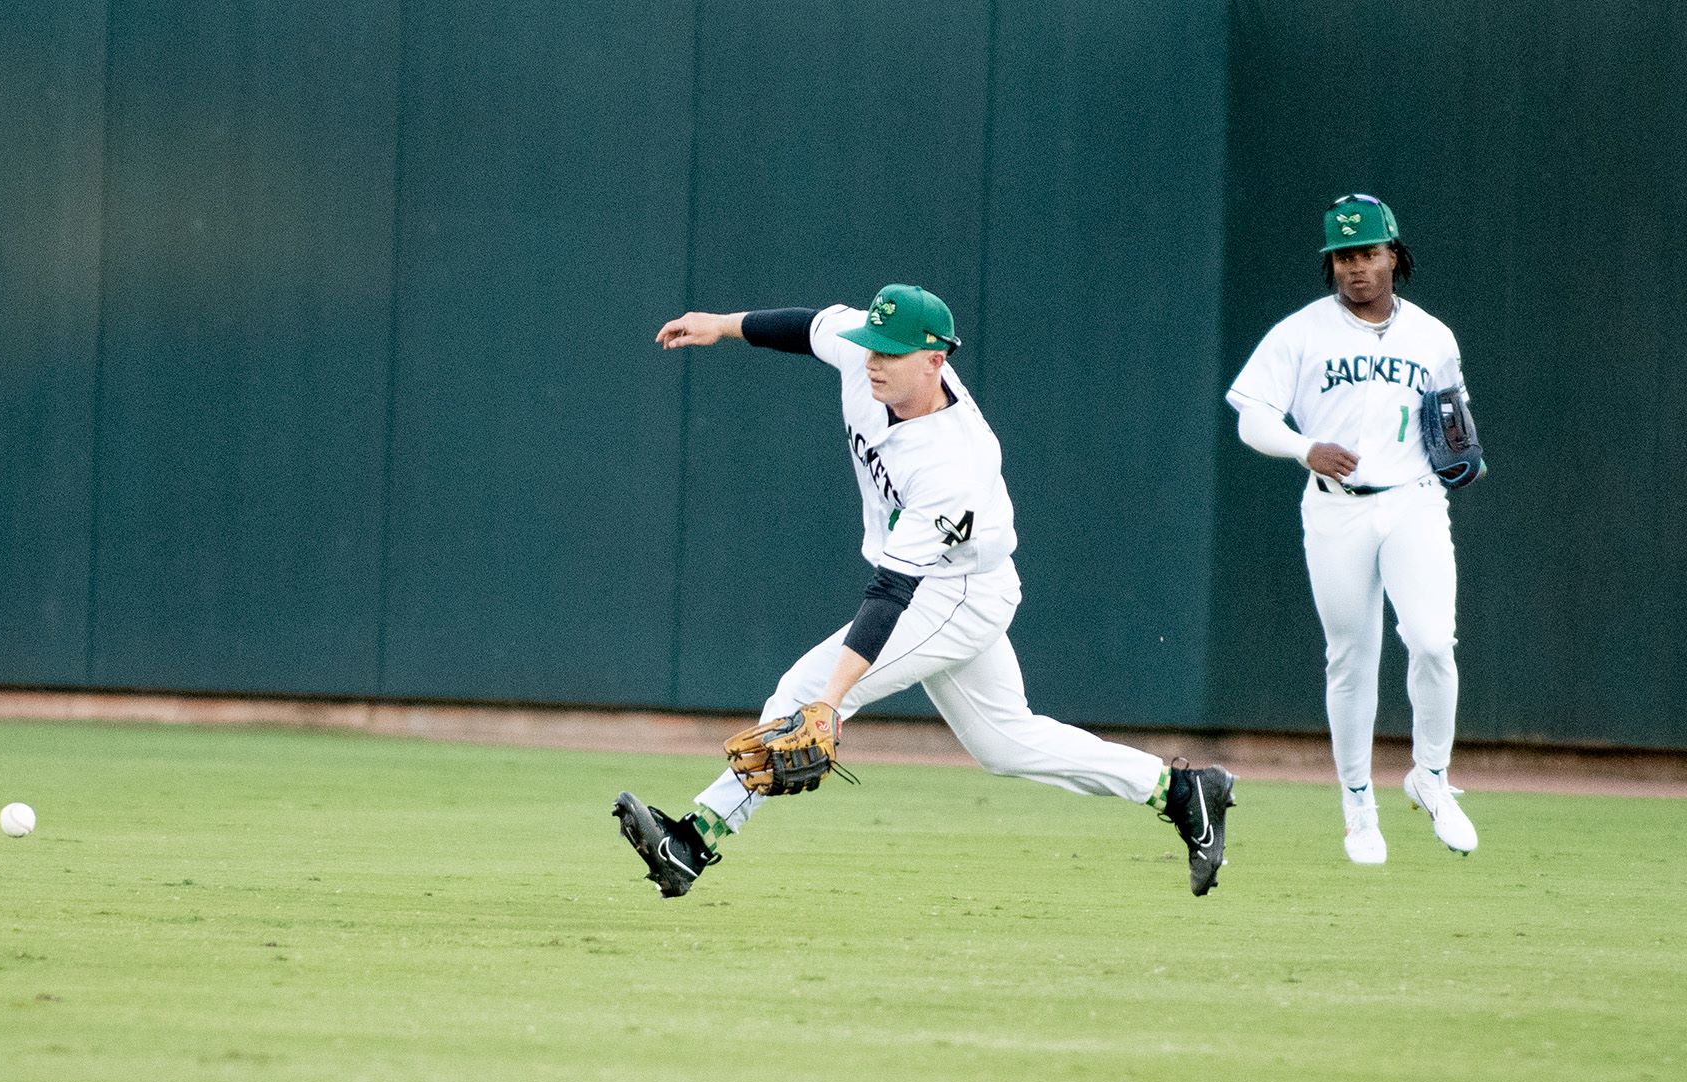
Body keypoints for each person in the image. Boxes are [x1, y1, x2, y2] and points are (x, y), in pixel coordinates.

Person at [614, 284, 1236, 898]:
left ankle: (693, 841)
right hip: (948, 584)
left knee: (805, 692)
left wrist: (832, 701)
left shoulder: (952, 463)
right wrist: (721, 324)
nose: (874, 360)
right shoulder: (868, 357)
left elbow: (892, 592)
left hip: (954, 591)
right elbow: (807, 328)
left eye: (890, 352)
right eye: (872, 346)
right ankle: (1183, 791)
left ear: (937, 360)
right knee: (1004, 743)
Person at [1225, 195, 1478, 863]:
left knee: (1431, 641)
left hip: (1415, 501)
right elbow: (1252, 417)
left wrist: (1460, 450)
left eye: (1367, 253)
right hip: (1337, 506)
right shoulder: (1300, 333)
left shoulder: (1433, 337)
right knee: (1351, 657)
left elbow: (1453, 421)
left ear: (1393, 254)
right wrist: (1303, 448)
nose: (1354, 267)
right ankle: (1358, 805)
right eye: (1343, 256)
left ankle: (1431, 777)